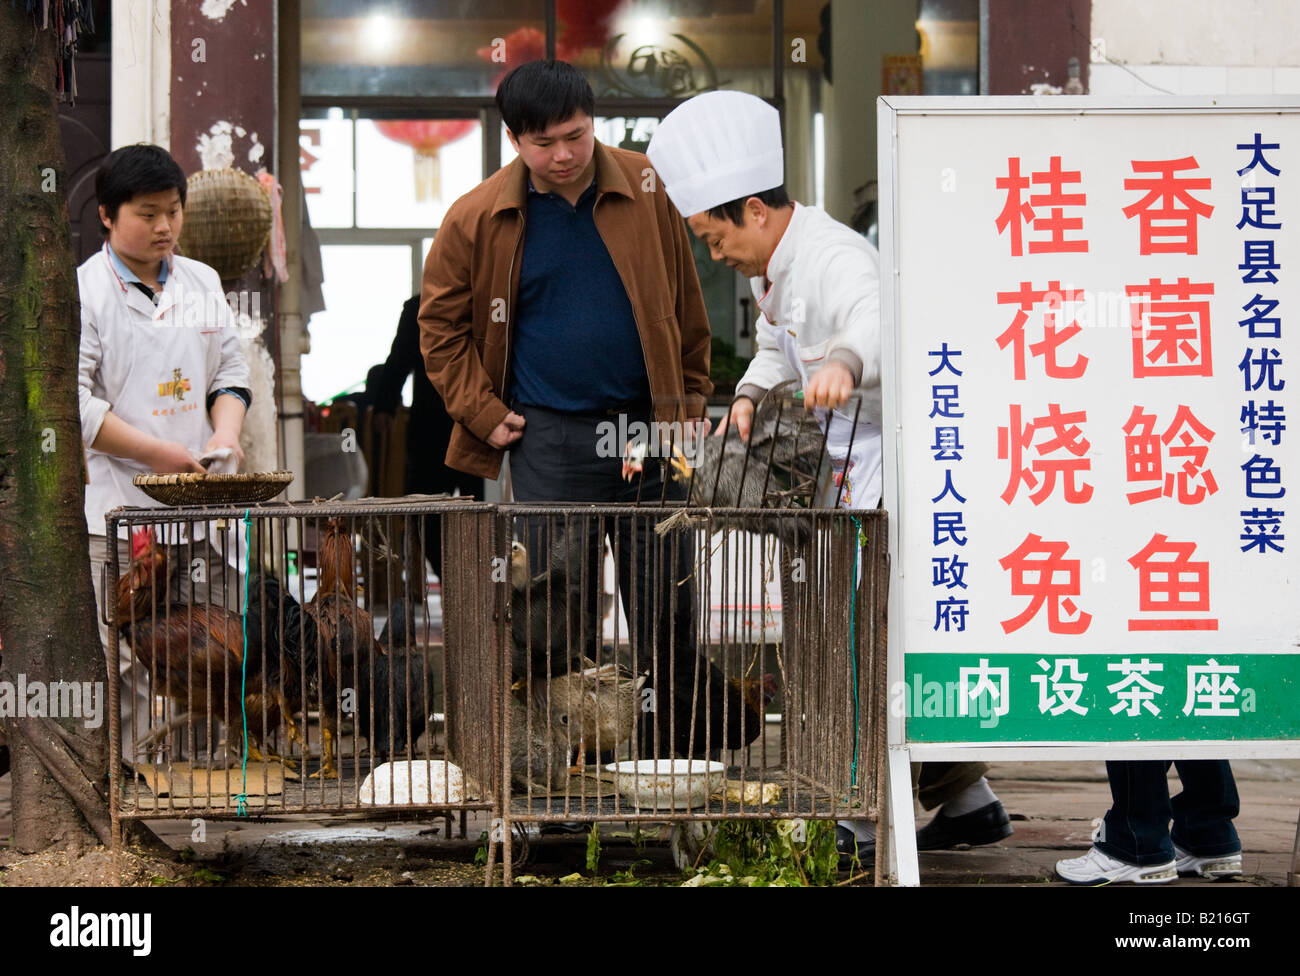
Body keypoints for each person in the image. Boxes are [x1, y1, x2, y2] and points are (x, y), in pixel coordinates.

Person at [648, 90, 1012, 865]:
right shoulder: (775, 267)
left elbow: (875, 321)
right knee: (875, 646)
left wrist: (847, 360)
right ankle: (968, 801)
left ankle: (857, 823)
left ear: (753, 209)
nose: (715, 255)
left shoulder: (834, 254)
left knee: (852, 651)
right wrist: (749, 391)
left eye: (714, 238)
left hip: (893, 474)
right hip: (846, 474)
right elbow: (778, 344)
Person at [420, 60, 750, 759]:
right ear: (514, 140)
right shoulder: (476, 216)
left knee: (666, 604)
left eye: (576, 135)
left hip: (648, 430)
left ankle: (673, 762)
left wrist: (689, 403)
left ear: (592, 121)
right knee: (552, 613)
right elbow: (440, 330)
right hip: (549, 436)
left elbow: (686, 306)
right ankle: (559, 773)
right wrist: (483, 412)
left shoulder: (648, 187)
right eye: (545, 144)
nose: (564, 155)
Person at [79, 144, 251, 762]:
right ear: (106, 214)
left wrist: (223, 437)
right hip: (120, 505)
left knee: (204, 644)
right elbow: (76, 405)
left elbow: (230, 372)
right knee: (119, 653)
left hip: (199, 501)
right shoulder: (85, 293)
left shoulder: (201, 281)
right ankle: (121, 781)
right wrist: (159, 455)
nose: (163, 227)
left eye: (173, 212)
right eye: (147, 213)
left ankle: (206, 780)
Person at [370, 295, 484, 581]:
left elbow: (397, 361)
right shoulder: (421, 306)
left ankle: (471, 581)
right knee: (430, 511)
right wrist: (384, 406)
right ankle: (453, 581)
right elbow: (399, 361)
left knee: (478, 510)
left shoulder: (486, 298)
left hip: (478, 424)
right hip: (440, 427)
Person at [1055, 760, 1242, 884]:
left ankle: (1137, 841)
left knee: (1137, 710)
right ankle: (1207, 833)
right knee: (1193, 709)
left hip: (1137, 841)